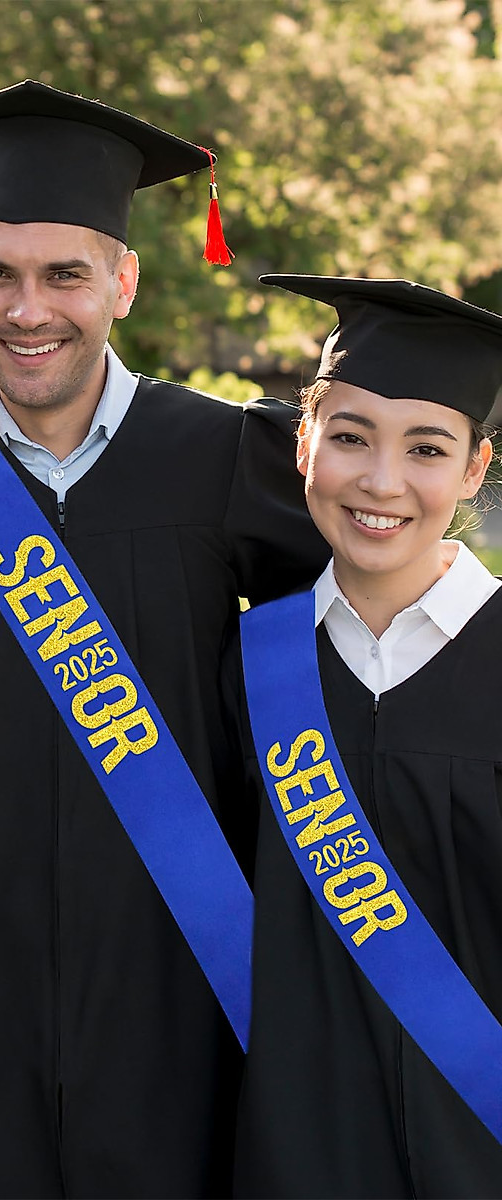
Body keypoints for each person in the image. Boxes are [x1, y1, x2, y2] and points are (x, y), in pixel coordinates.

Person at [0, 79, 330, 1198]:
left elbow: (388, 596)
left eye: (65, 274)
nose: (28, 309)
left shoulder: (225, 459)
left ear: (123, 282)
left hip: (183, 987)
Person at [231, 274, 502, 1198]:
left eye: (427, 449)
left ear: (474, 468)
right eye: (349, 437)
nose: (382, 482)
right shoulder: (249, 668)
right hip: (292, 1149)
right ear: (303, 444)